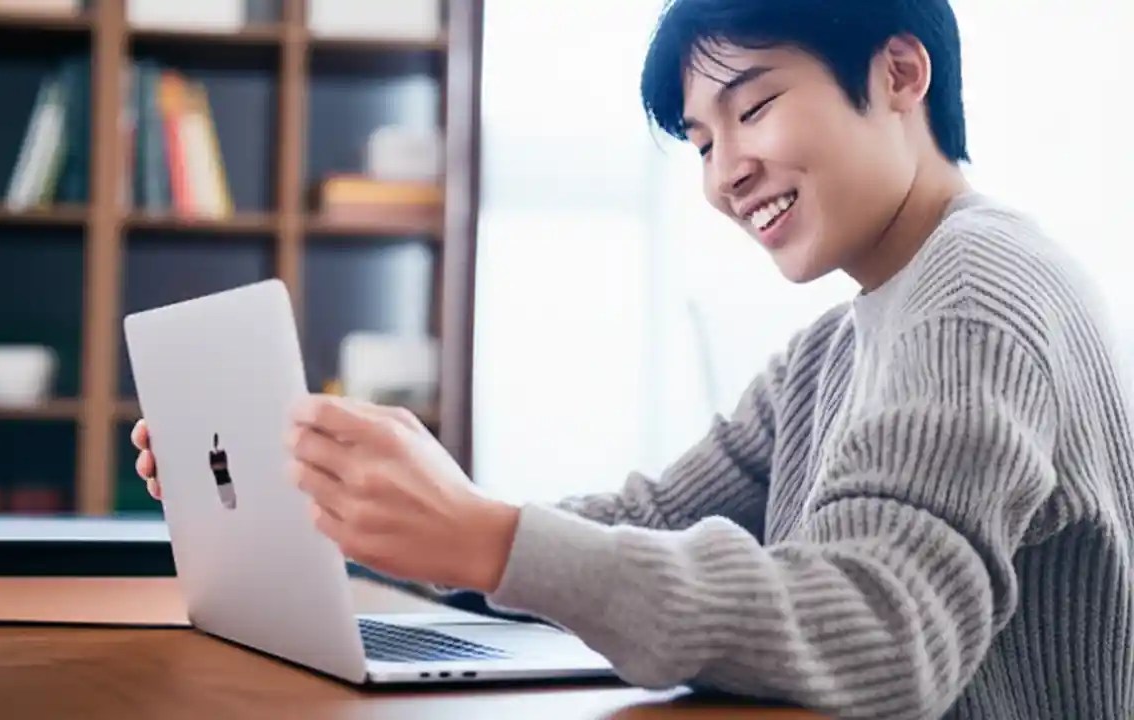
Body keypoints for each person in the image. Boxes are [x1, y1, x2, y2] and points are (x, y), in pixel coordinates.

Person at [132, 0, 1134, 717]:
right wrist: (341, 504)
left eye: (750, 107)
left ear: (897, 75)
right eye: (700, 141)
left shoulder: (979, 294)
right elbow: (642, 523)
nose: (723, 174)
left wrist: (484, 536)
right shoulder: (834, 346)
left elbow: (874, 628)